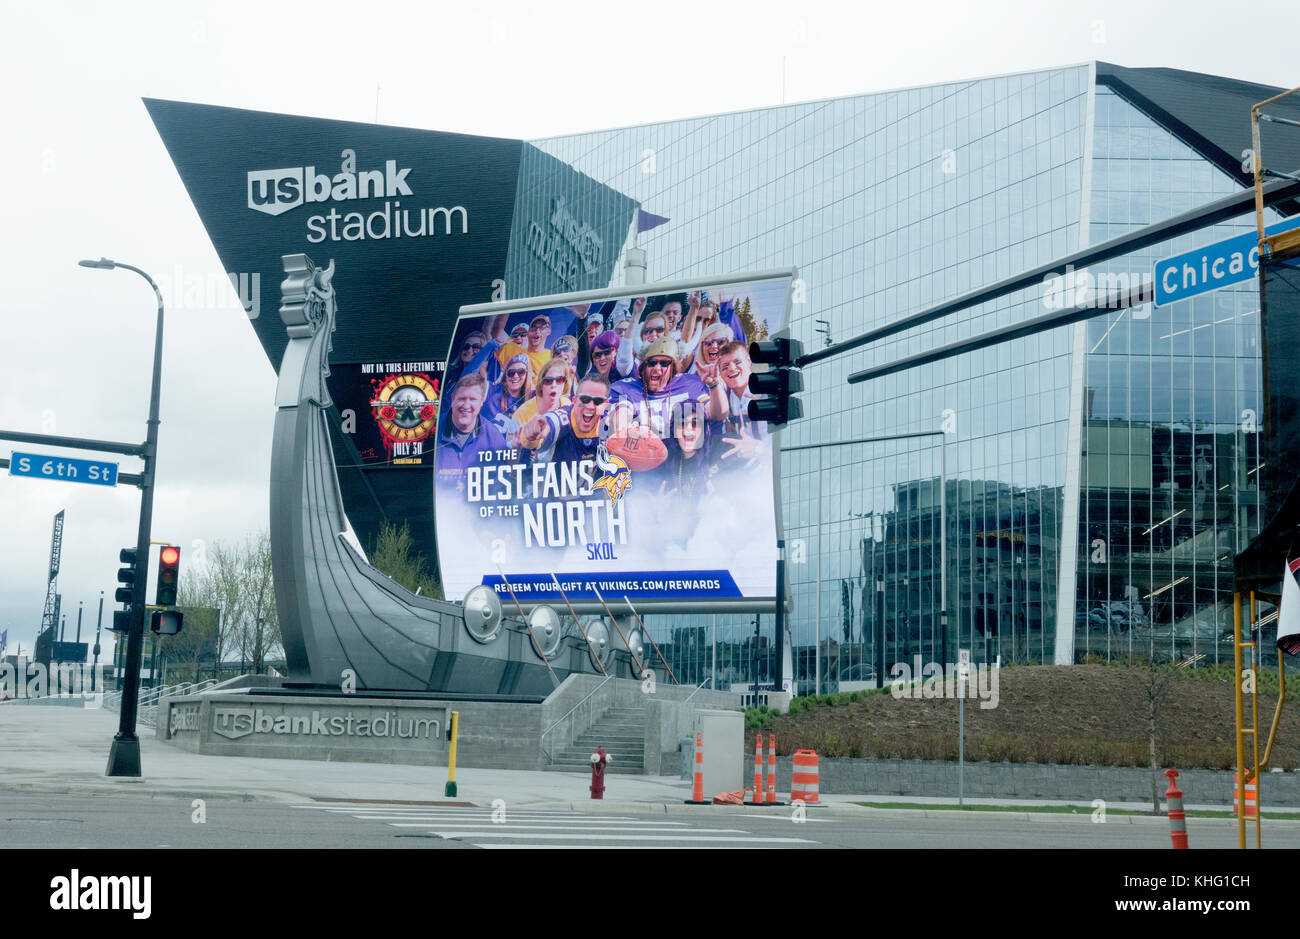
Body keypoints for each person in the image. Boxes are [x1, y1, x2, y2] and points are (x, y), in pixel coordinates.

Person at [608, 337, 727, 440]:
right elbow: (621, 420)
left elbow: (717, 415)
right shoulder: (626, 388)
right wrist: (624, 429)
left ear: (673, 368)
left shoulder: (690, 384)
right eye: (652, 362)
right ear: (643, 366)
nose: (657, 368)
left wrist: (714, 385)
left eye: (664, 363)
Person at [522, 372, 611, 465]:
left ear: (606, 405)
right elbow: (553, 421)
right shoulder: (564, 418)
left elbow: (623, 409)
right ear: (574, 401)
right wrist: (538, 430)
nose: (590, 406)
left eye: (598, 401)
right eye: (585, 399)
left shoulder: (610, 422)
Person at [436, 372, 509, 483]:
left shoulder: (494, 438)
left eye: (473, 399)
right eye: (461, 399)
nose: (466, 405)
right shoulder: (432, 431)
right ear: (452, 399)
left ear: (481, 402)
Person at [716, 340, 770, 465]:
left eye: (737, 362)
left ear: (748, 361)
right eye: (725, 367)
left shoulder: (768, 389)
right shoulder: (726, 399)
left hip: (771, 464)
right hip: (744, 469)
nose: (731, 369)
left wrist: (758, 449)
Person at [513, 357, 571, 450]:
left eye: (560, 380)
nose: (554, 385)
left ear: (565, 383)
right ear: (541, 385)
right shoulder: (521, 415)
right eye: (548, 381)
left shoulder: (567, 404)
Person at [483, 352, 534, 441]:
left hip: (514, 453)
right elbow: (466, 376)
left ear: (527, 374)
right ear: (505, 375)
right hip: (486, 450)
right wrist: (490, 346)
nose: (515, 376)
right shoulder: (492, 390)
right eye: (511, 373)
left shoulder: (533, 398)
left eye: (521, 372)